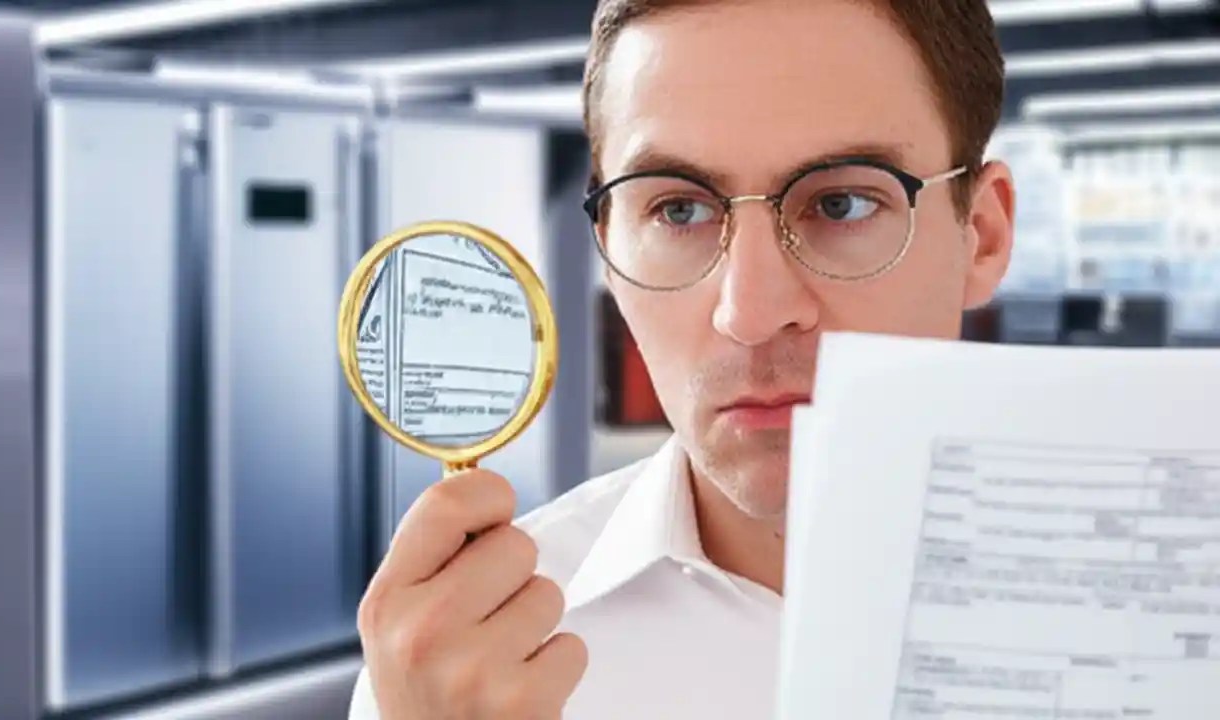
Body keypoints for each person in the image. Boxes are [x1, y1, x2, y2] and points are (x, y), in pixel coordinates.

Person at [348, 0, 1015, 716]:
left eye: (842, 204)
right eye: (678, 211)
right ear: (608, 249)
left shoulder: (1116, 615)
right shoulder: (455, 670)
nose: (749, 315)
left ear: (981, 236)